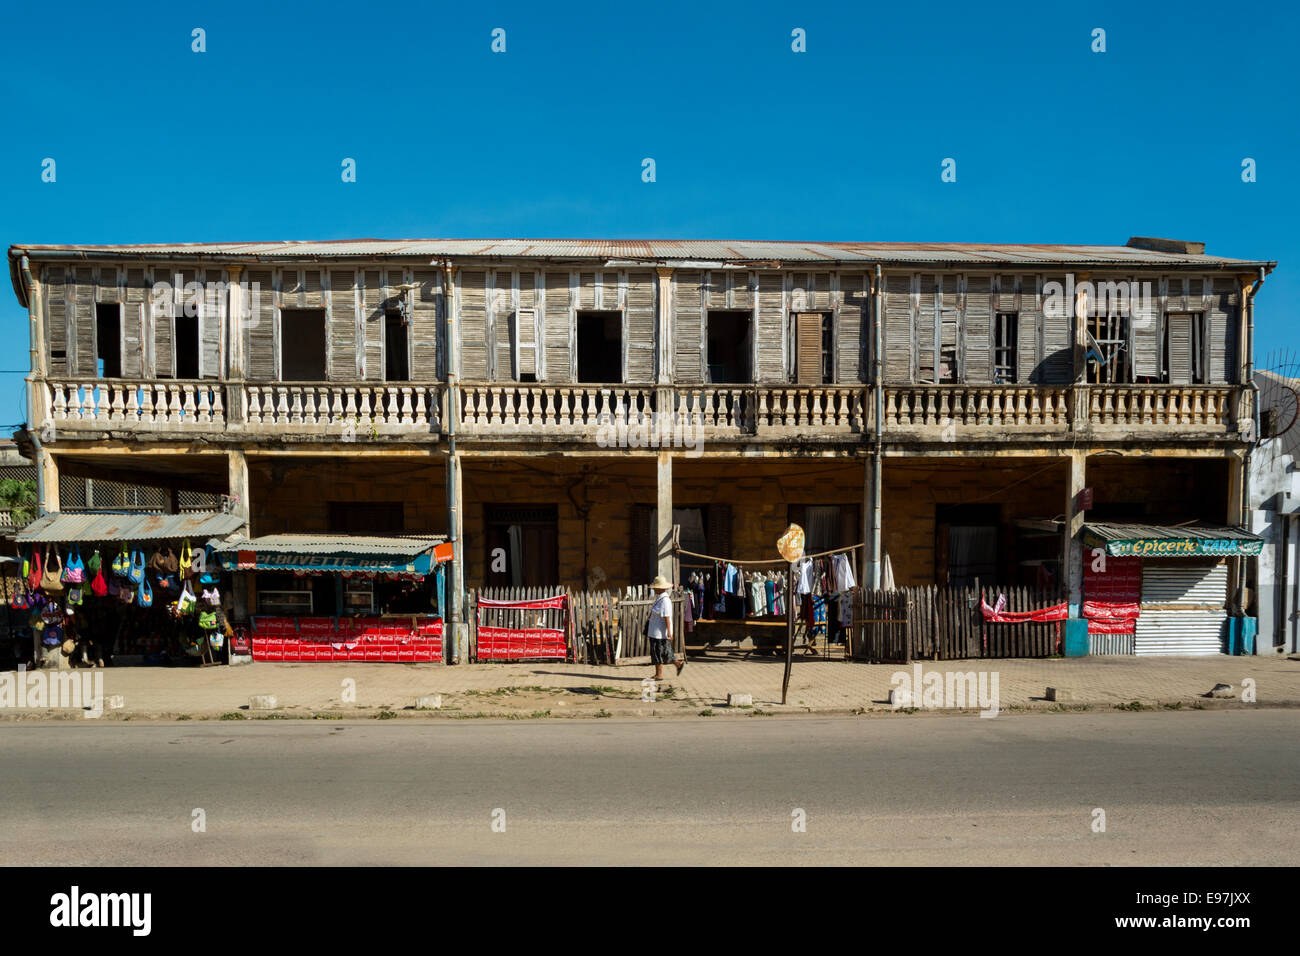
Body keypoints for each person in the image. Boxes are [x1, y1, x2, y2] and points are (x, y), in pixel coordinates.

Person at [647, 575, 683, 680]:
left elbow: (667, 617)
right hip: (655, 631)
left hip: (660, 632)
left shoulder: (665, 600)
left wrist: (669, 632)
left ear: (660, 588)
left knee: (659, 653)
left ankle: (660, 674)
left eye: (655, 587)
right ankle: (677, 665)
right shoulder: (659, 599)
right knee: (662, 652)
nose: (653, 589)